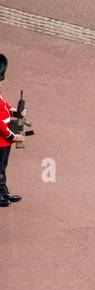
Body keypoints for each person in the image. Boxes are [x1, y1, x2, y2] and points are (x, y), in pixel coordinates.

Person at [0, 54, 27, 206]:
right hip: (2, 139)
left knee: (3, 168)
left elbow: (5, 107)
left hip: (4, 141)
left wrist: (17, 112)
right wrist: (12, 137)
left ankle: (4, 192)